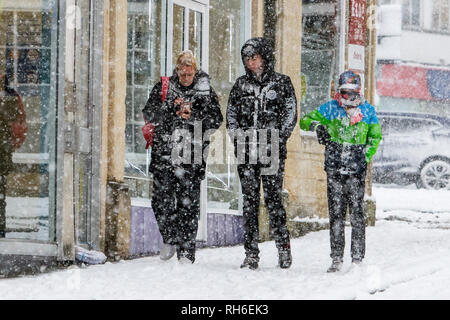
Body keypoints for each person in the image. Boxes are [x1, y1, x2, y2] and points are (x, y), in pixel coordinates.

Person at [142, 50, 223, 263]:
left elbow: (216, 119)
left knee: (188, 204)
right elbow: (149, 113)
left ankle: (186, 250)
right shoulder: (165, 87)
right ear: (177, 70)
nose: (185, 78)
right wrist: (170, 108)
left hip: (191, 154)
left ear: (195, 72)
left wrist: (195, 115)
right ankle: (169, 237)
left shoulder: (204, 91)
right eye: (182, 73)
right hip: (164, 152)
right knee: (161, 200)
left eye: (189, 74)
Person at [299, 70, 382, 272]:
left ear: (358, 91)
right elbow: (304, 120)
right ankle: (336, 257)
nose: (347, 97)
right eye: (344, 92)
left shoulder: (368, 111)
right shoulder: (330, 109)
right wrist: (318, 126)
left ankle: (357, 257)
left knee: (356, 213)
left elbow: (375, 137)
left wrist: (364, 156)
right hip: (335, 167)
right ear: (339, 91)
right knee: (336, 214)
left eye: (352, 93)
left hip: (356, 168)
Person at [227, 38, 298, 270]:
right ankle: (251, 253)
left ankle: (283, 248)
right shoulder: (240, 86)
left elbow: (291, 113)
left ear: (264, 58)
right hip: (246, 152)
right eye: (247, 58)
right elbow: (231, 116)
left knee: (274, 200)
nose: (250, 62)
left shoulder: (282, 83)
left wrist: (279, 138)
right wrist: (238, 138)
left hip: (271, 151)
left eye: (254, 57)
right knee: (249, 202)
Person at [0, 74, 27, 238]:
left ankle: (1, 226)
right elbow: (20, 124)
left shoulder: (11, 97)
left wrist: (11, 143)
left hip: (3, 149)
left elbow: (20, 124)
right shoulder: (11, 96)